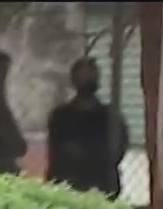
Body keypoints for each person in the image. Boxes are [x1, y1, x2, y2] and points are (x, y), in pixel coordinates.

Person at [44, 57, 128, 199]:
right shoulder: (61, 116)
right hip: (67, 184)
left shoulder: (109, 116)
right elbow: (56, 151)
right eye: (83, 76)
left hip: (102, 184)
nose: (87, 80)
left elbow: (118, 149)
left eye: (91, 75)